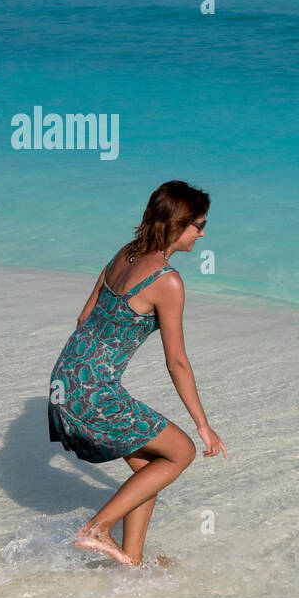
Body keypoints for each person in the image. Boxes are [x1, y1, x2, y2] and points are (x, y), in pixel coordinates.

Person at [47, 180, 227, 566]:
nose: (203, 233)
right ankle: (96, 528)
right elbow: (176, 361)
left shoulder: (124, 255)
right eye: (198, 224)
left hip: (64, 378)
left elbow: (84, 318)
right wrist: (203, 425)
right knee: (181, 452)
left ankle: (131, 561)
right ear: (178, 225)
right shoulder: (167, 280)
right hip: (93, 389)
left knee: (148, 469)